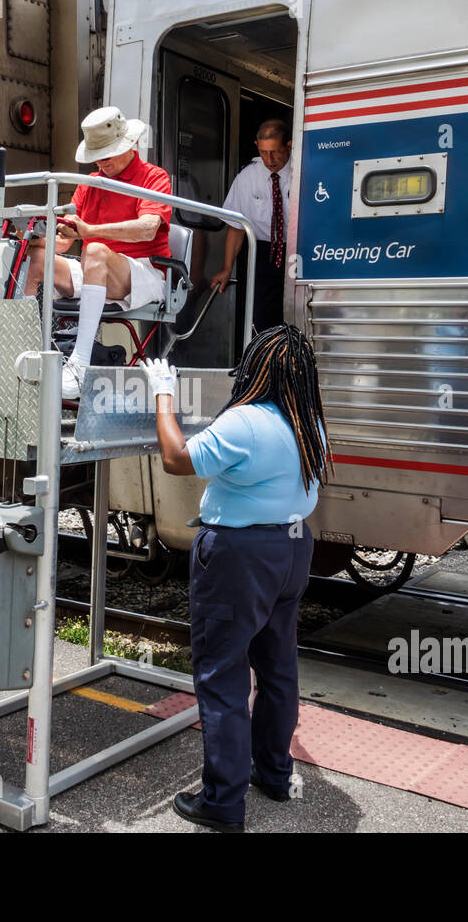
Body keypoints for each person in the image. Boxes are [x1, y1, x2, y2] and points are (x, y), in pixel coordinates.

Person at [139, 325, 332, 832]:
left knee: (222, 676)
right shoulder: (309, 421)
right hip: (292, 550)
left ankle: (223, 803)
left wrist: (164, 397)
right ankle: (273, 771)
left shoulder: (246, 421)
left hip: (240, 557)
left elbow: (178, 459)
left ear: (256, 369)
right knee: (277, 670)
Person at [24, 106, 172, 398]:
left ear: (129, 145)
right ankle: (26, 351)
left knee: (95, 251)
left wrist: (91, 232)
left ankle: (79, 365)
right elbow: (66, 241)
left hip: (146, 271)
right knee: (36, 259)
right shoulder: (89, 185)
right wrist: (34, 237)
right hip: (98, 266)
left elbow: (148, 228)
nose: (101, 162)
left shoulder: (154, 177)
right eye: (97, 156)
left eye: (107, 153)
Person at [210, 120, 293, 340]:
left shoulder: (303, 171)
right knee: (262, 317)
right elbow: (236, 227)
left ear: (289, 145)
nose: (270, 160)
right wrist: (227, 268)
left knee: (295, 314)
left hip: (297, 250)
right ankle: (265, 366)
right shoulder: (247, 177)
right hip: (263, 252)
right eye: (264, 152)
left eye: (275, 152)